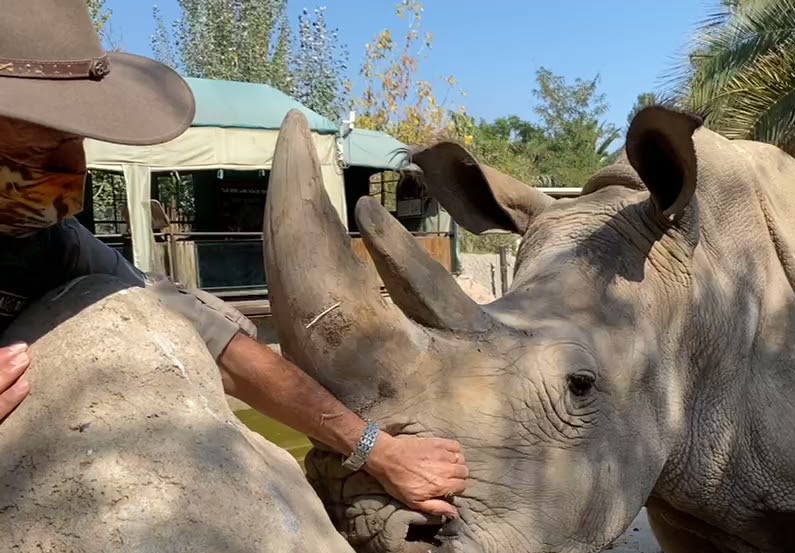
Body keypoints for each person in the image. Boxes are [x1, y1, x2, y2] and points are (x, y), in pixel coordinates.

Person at [0, 1, 467, 518]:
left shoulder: (55, 248)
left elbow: (220, 346)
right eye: (42, 148)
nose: (74, 171)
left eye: (77, 141)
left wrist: (375, 449)